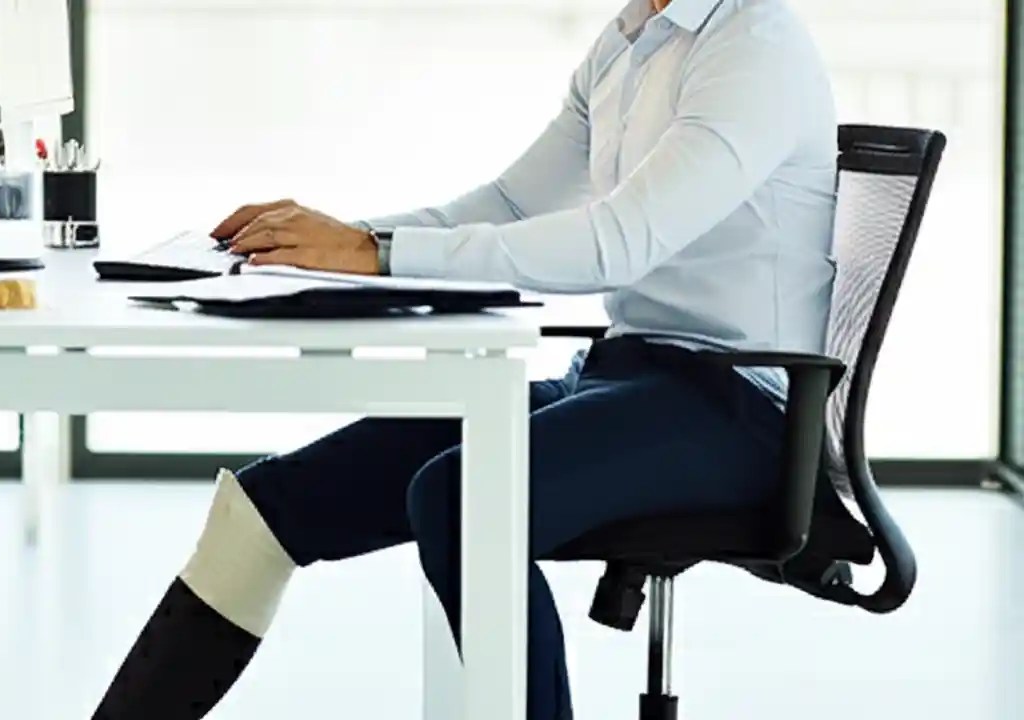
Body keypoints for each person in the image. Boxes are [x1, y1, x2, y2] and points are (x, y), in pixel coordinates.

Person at [91, 0, 837, 717]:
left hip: (737, 411)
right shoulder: (630, 42)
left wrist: (376, 255)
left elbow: (619, 242)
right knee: (268, 509)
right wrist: (336, 241)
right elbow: (514, 204)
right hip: (624, 378)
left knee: (462, 501)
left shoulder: (752, 46)